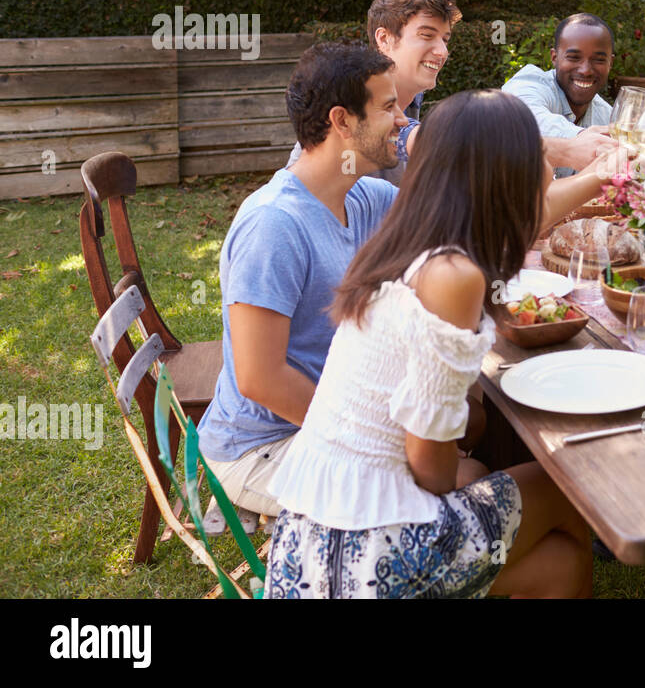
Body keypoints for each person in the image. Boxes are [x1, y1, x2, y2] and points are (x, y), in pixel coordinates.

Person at [201, 43, 607, 528]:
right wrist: (378, 439)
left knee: (477, 427)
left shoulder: (364, 196)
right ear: (342, 121)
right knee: (477, 464)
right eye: (389, 107)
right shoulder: (274, 225)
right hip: (265, 446)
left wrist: (601, 175)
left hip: (338, 419)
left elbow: (488, 221)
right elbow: (258, 379)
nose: (403, 121)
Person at [267, 90, 592, 598]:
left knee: (560, 561)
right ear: (505, 176)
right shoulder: (452, 275)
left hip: (308, 552)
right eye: (541, 159)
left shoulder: (403, 242)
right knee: (566, 491)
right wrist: (464, 475)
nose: (549, 172)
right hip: (370, 552)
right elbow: (431, 464)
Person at [285, 0, 460, 185]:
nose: (442, 51)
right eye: (427, 35)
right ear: (384, 39)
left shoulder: (413, 99)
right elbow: (404, 137)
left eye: (445, 39)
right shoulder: (353, 91)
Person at [502, 12, 615, 175]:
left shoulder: (608, 117)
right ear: (554, 58)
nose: (585, 70)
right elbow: (523, 117)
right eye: (574, 58)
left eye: (598, 60)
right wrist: (581, 138)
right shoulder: (531, 82)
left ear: (610, 63)